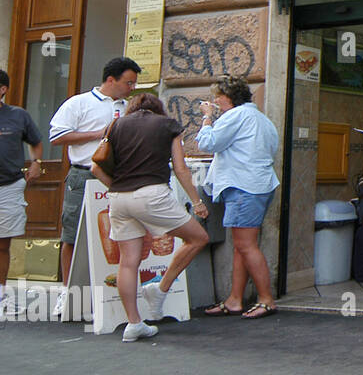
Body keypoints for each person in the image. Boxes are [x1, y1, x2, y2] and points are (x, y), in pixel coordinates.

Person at [92, 93, 210, 341]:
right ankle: (160, 289)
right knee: (198, 238)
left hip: (119, 198)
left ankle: (134, 324)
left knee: (127, 262)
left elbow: (95, 167)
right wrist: (196, 202)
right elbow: (180, 168)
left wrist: (116, 187)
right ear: (158, 109)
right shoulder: (168, 125)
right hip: (153, 193)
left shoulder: (115, 126)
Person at [49, 56, 139, 317]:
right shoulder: (79, 103)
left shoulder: (129, 107)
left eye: (134, 83)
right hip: (84, 174)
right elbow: (57, 136)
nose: (131, 88)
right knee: (72, 232)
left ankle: (111, 292)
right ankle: (67, 293)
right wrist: (98, 134)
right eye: (128, 82)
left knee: (117, 233)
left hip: (119, 176)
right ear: (111, 80)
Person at [195, 76, 280, 319]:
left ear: (229, 98)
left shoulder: (235, 116)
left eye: (218, 97)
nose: (214, 101)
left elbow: (207, 143)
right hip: (259, 185)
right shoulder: (263, 120)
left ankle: (266, 299)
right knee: (240, 247)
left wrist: (207, 117)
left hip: (243, 187)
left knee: (246, 245)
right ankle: (234, 299)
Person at [0, 70, 42, 317]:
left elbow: (36, 142)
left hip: (9, 185)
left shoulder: (17, 115)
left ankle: (1, 297)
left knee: (2, 244)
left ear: (3, 89)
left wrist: (36, 162)